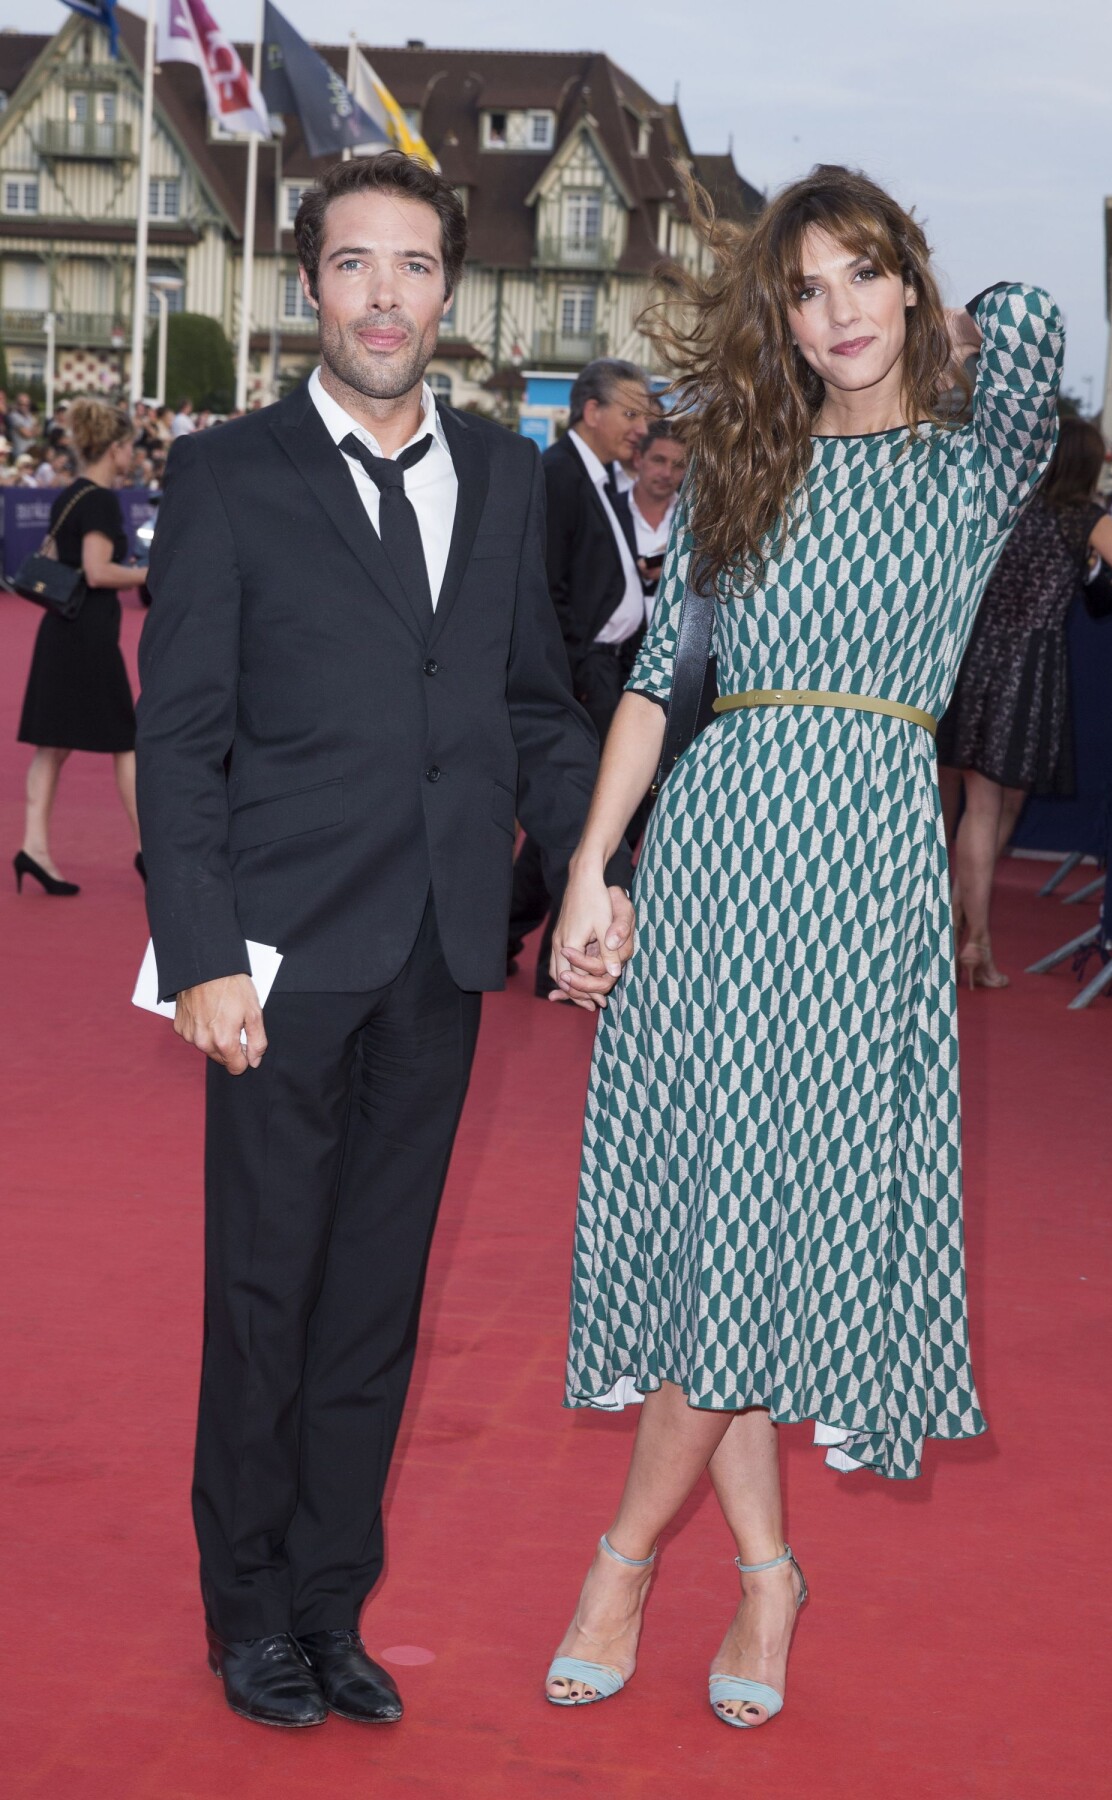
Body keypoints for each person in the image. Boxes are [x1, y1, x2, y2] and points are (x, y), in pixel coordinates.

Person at [542, 163, 1063, 1729]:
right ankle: (767, 1579)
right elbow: (657, 690)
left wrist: (946, 321)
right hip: (714, 859)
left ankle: (625, 1558)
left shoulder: (971, 466)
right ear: (775, 316)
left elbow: (1037, 325)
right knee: (720, 1226)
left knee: (768, 1224)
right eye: (806, 289)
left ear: (911, 284)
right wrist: (592, 869)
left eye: (863, 277)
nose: (836, 313)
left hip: (859, 879)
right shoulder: (744, 470)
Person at [135, 150, 634, 1734]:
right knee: (265, 1293)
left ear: (448, 292)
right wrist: (199, 950)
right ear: (310, 286)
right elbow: (180, 740)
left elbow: (533, 707)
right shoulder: (229, 476)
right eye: (355, 264)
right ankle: (247, 1611)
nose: (384, 296)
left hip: (439, 954)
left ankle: (329, 1603)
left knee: (373, 1302)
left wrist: (594, 861)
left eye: (414, 266)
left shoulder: (505, 473)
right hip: (275, 959)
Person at [937, 417, 1112, 985]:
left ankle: (959, 918)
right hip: (1029, 667)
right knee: (990, 805)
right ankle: (976, 943)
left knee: (990, 803)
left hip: (973, 656)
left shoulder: (1004, 505)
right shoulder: (1085, 518)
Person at [507, 358, 654, 995]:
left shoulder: (602, 478)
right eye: (632, 412)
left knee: (576, 812)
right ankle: (564, 959)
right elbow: (544, 587)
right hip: (579, 675)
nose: (642, 427)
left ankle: (524, 938)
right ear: (591, 411)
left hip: (606, 667)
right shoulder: (558, 475)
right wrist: (573, 678)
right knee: (588, 810)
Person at [15, 399, 148, 897]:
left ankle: (34, 848)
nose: (133, 455)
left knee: (53, 747)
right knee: (126, 741)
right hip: (86, 637)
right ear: (114, 449)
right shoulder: (101, 501)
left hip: (61, 630)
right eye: (129, 446)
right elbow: (97, 572)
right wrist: (150, 573)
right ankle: (151, 852)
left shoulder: (71, 495)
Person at [614, 418, 688, 601]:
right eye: (658, 460)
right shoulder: (607, 511)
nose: (667, 473)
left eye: (678, 465)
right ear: (638, 459)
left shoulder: (695, 523)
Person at [7, 391, 37, 456]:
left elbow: (39, 430)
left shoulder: (29, 415)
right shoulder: (13, 416)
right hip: (21, 453)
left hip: (32, 451)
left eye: (27, 404)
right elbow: (27, 434)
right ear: (16, 404)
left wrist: (33, 431)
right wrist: (34, 429)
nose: (24, 407)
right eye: (21, 404)